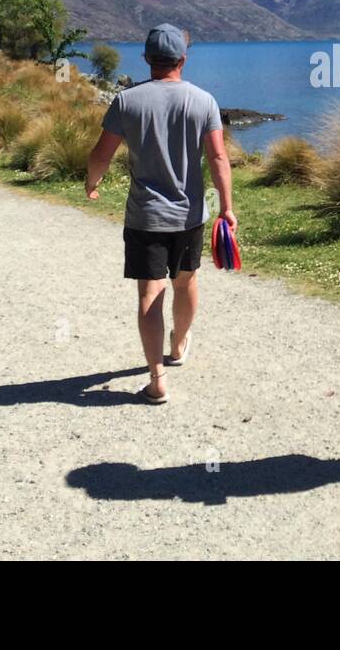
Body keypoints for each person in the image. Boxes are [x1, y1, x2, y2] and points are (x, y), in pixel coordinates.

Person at [85, 24, 236, 404]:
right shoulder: (204, 101)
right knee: (185, 283)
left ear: (148, 59)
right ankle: (179, 344)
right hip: (190, 217)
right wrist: (228, 208)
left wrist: (92, 182)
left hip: (145, 218)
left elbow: (101, 154)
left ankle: (157, 379)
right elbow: (218, 157)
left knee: (150, 293)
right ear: (183, 59)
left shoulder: (127, 101)